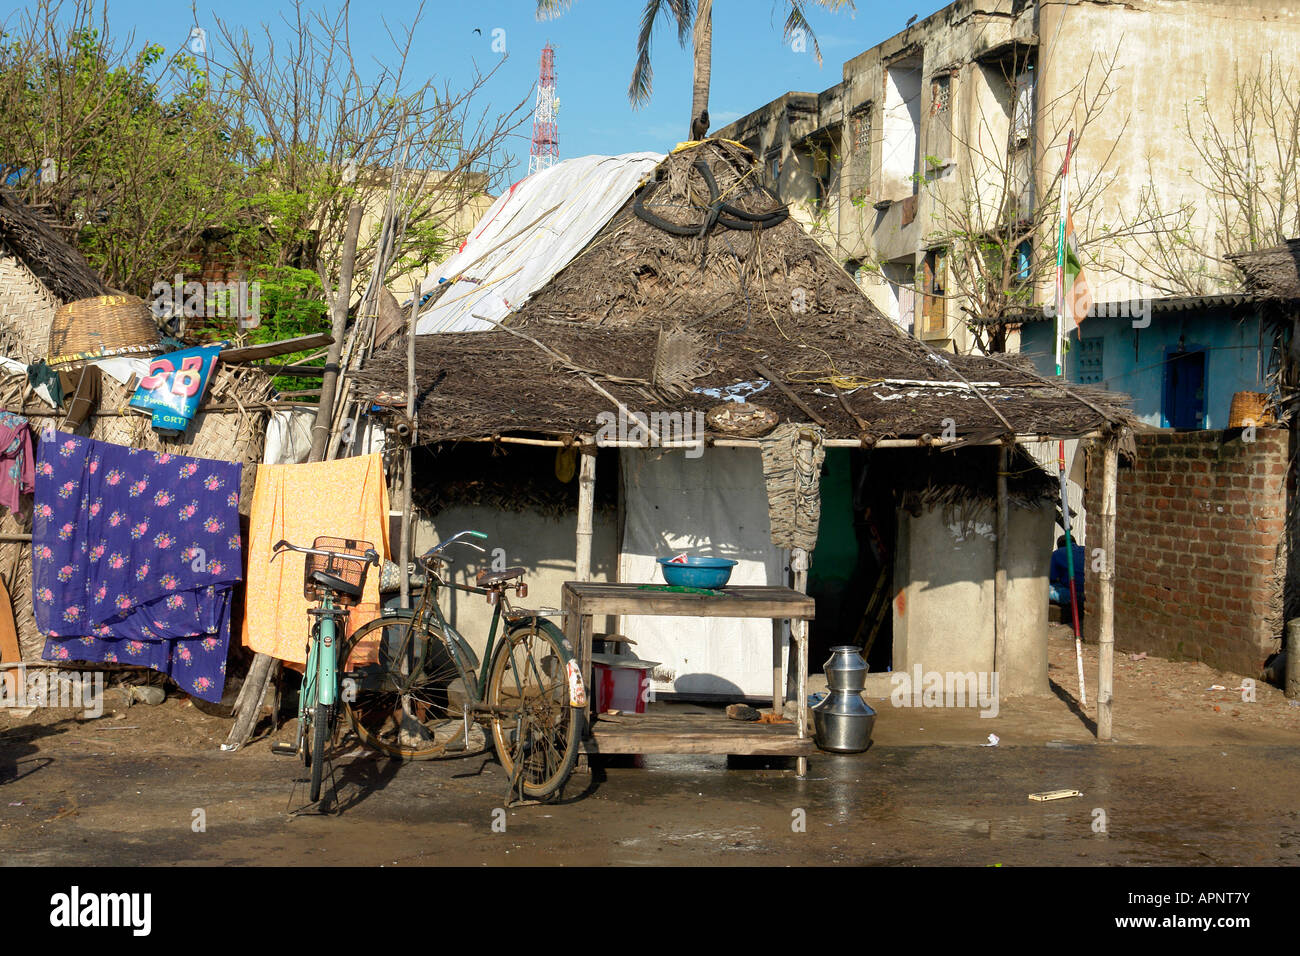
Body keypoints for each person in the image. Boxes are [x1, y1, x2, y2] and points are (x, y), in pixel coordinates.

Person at [1049, 534, 1085, 610]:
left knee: (1043, 588)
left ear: (1059, 546)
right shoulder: (1085, 549)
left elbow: (1052, 578)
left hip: (1073, 595)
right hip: (1088, 594)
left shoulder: (1057, 554)